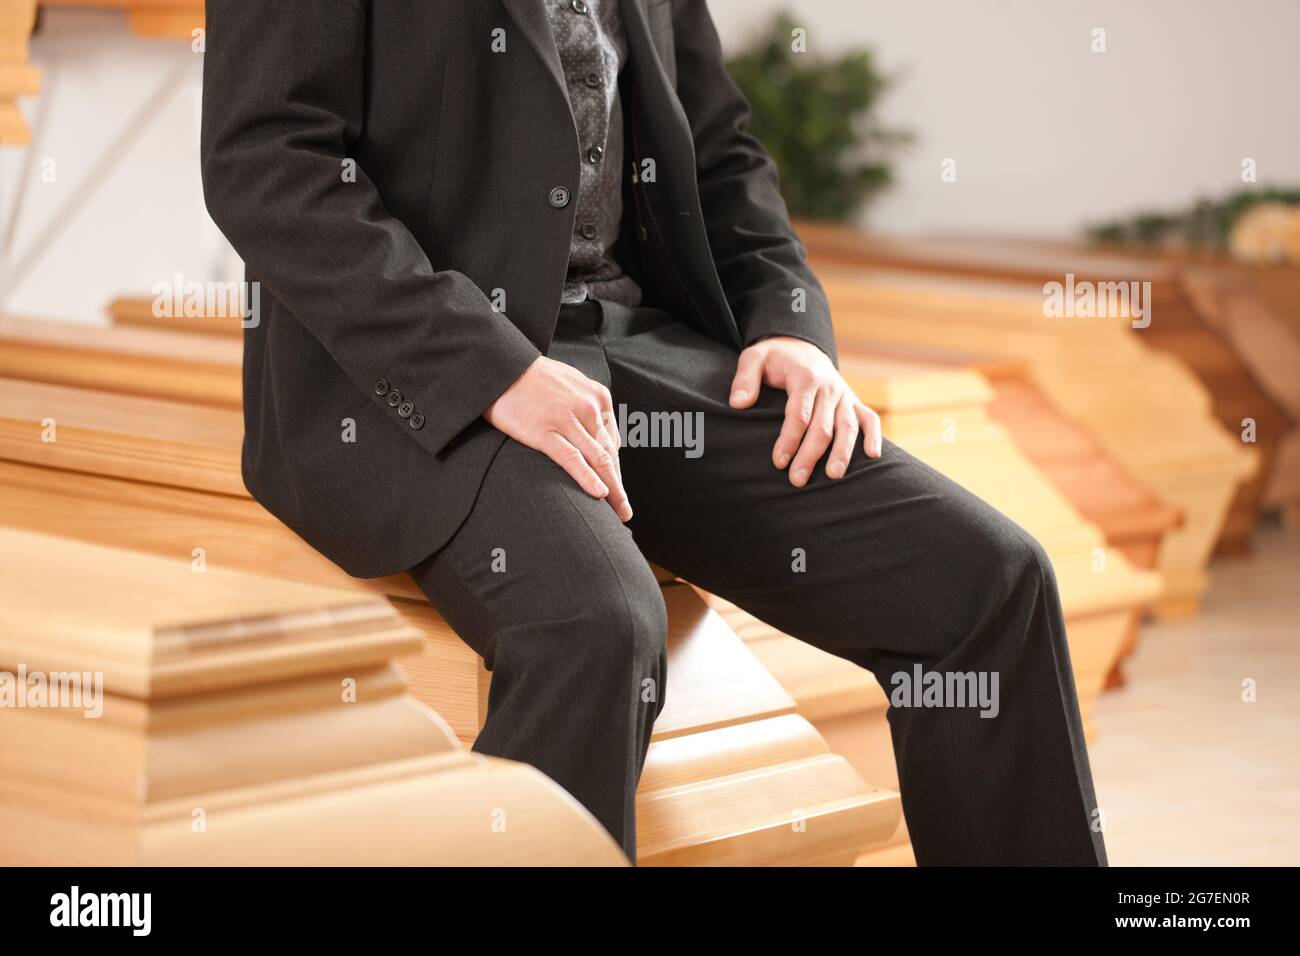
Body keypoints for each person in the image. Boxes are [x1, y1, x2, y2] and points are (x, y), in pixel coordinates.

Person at [200, 0, 1106, 866]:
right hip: (409, 378)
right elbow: (268, 165)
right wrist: (490, 369)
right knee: (595, 626)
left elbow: (718, 146)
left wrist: (785, 320)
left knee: (987, 581)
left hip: (638, 343)